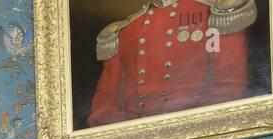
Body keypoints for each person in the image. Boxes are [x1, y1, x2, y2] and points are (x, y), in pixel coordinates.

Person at [87, 0, 259, 128]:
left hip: (199, 134)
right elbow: (106, 107)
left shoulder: (214, 14)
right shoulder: (125, 31)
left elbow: (228, 84)